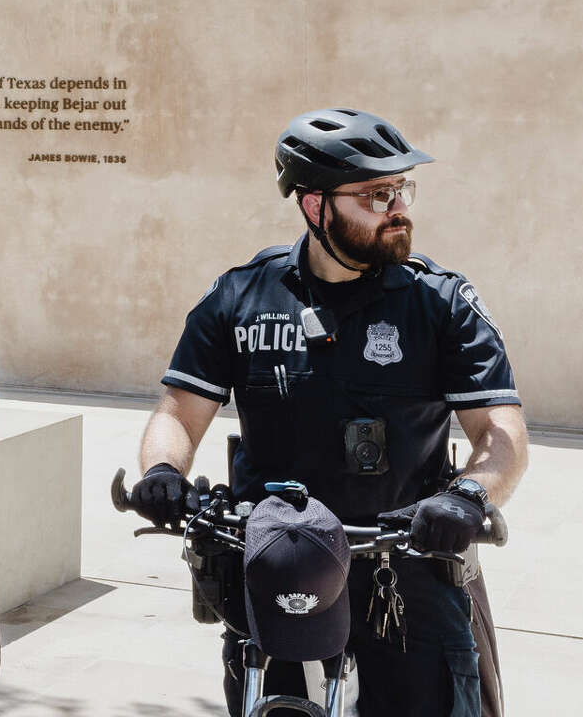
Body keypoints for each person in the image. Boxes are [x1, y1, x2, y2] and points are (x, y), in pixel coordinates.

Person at [129, 109, 528, 717]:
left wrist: (469, 497)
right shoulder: (241, 296)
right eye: (374, 194)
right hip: (280, 570)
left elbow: (502, 435)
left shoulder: (440, 301)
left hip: (407, 566)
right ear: (314, 207)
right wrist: (162, 471)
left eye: (401, 189)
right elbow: (179, 414)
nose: (397, 207)